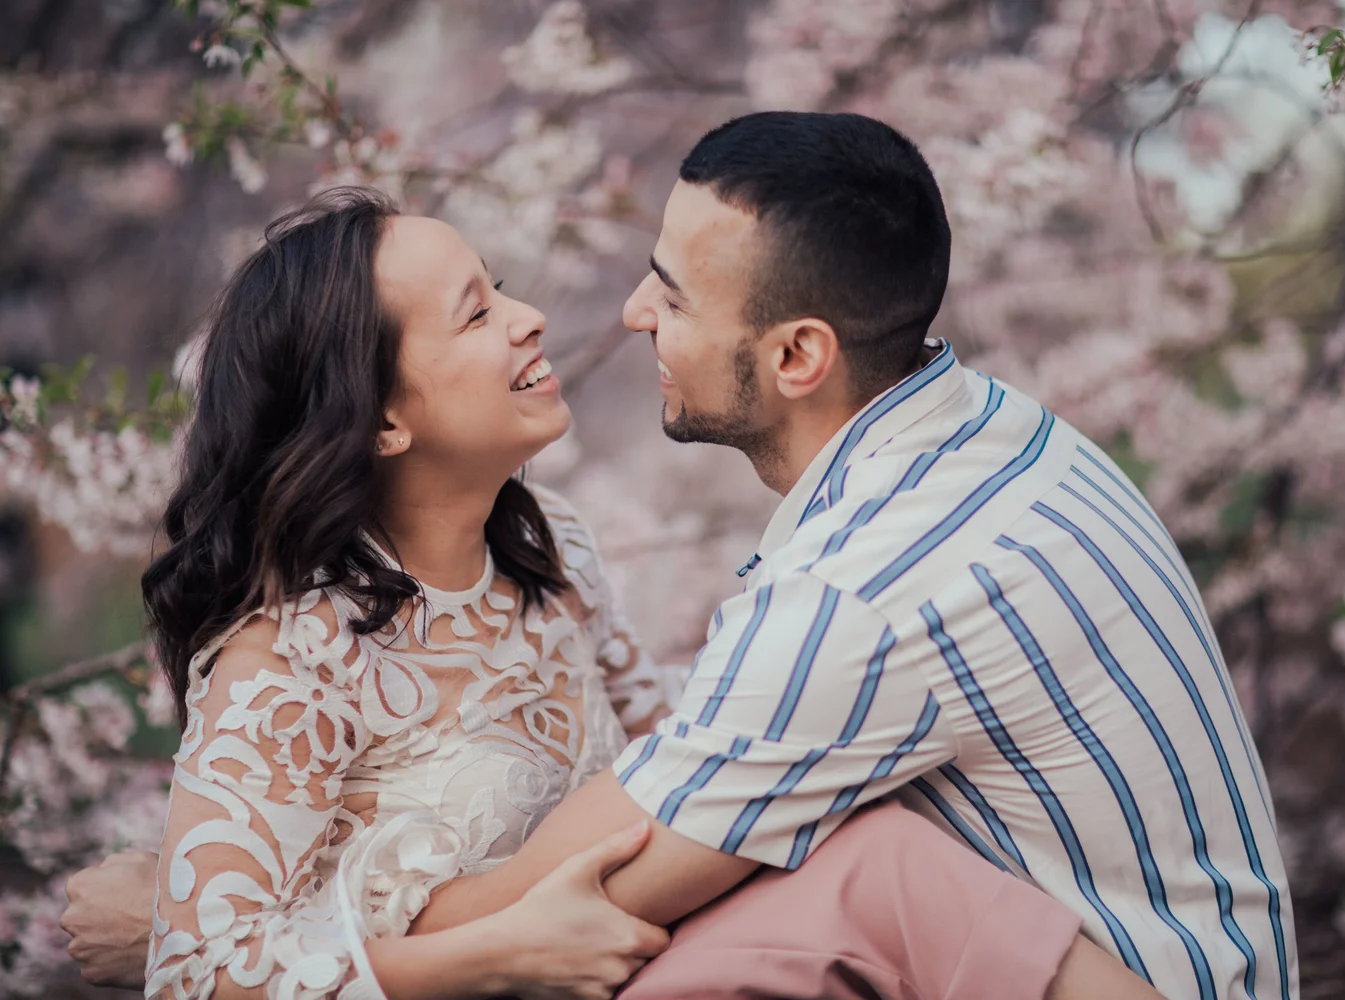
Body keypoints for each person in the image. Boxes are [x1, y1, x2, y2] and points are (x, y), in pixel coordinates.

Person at [59, 180, 1161, 1000]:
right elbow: (199, 977)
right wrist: (502, 950)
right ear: (383, 417)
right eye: (478, 312)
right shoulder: (292, 656)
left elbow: (669, 757)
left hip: (623, 964)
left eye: (503, 288)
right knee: (882, 871)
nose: (531, 315)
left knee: (877, 855)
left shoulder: (557, 560)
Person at [401, 112, 1300, 1000]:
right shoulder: (993, 424)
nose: (635, 313)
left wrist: (383, 940)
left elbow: (598, 889)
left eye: (672, 297)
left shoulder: (861, 591)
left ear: (798, 355)